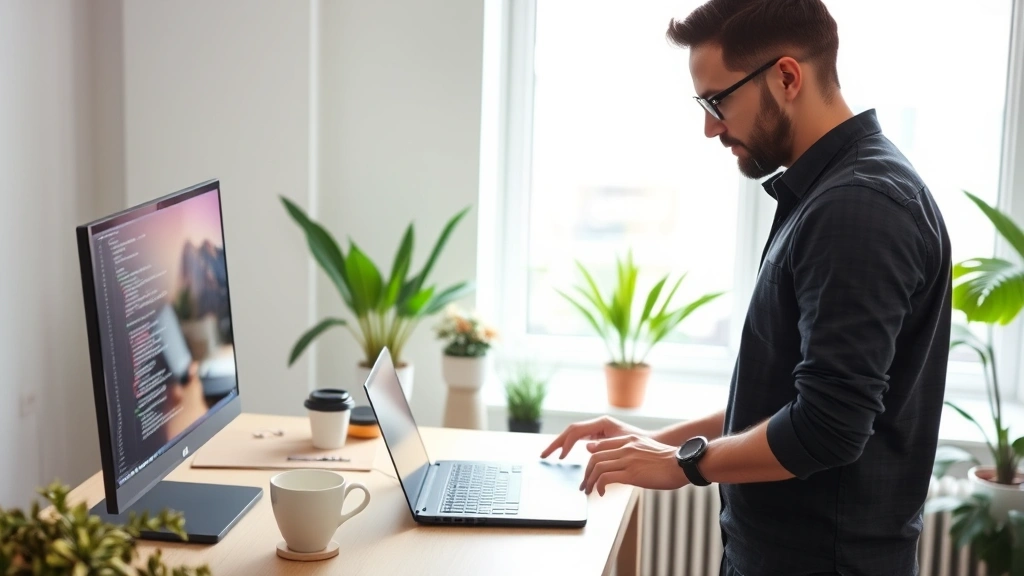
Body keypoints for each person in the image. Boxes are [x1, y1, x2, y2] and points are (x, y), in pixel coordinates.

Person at [540, 1, 952, 574]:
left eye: (718, 101)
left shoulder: (858, 208)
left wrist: (684, 464)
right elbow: (782, 396)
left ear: (786, 77)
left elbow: (826, 429)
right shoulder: (829, 193)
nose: (711, 126)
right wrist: (660, 442)